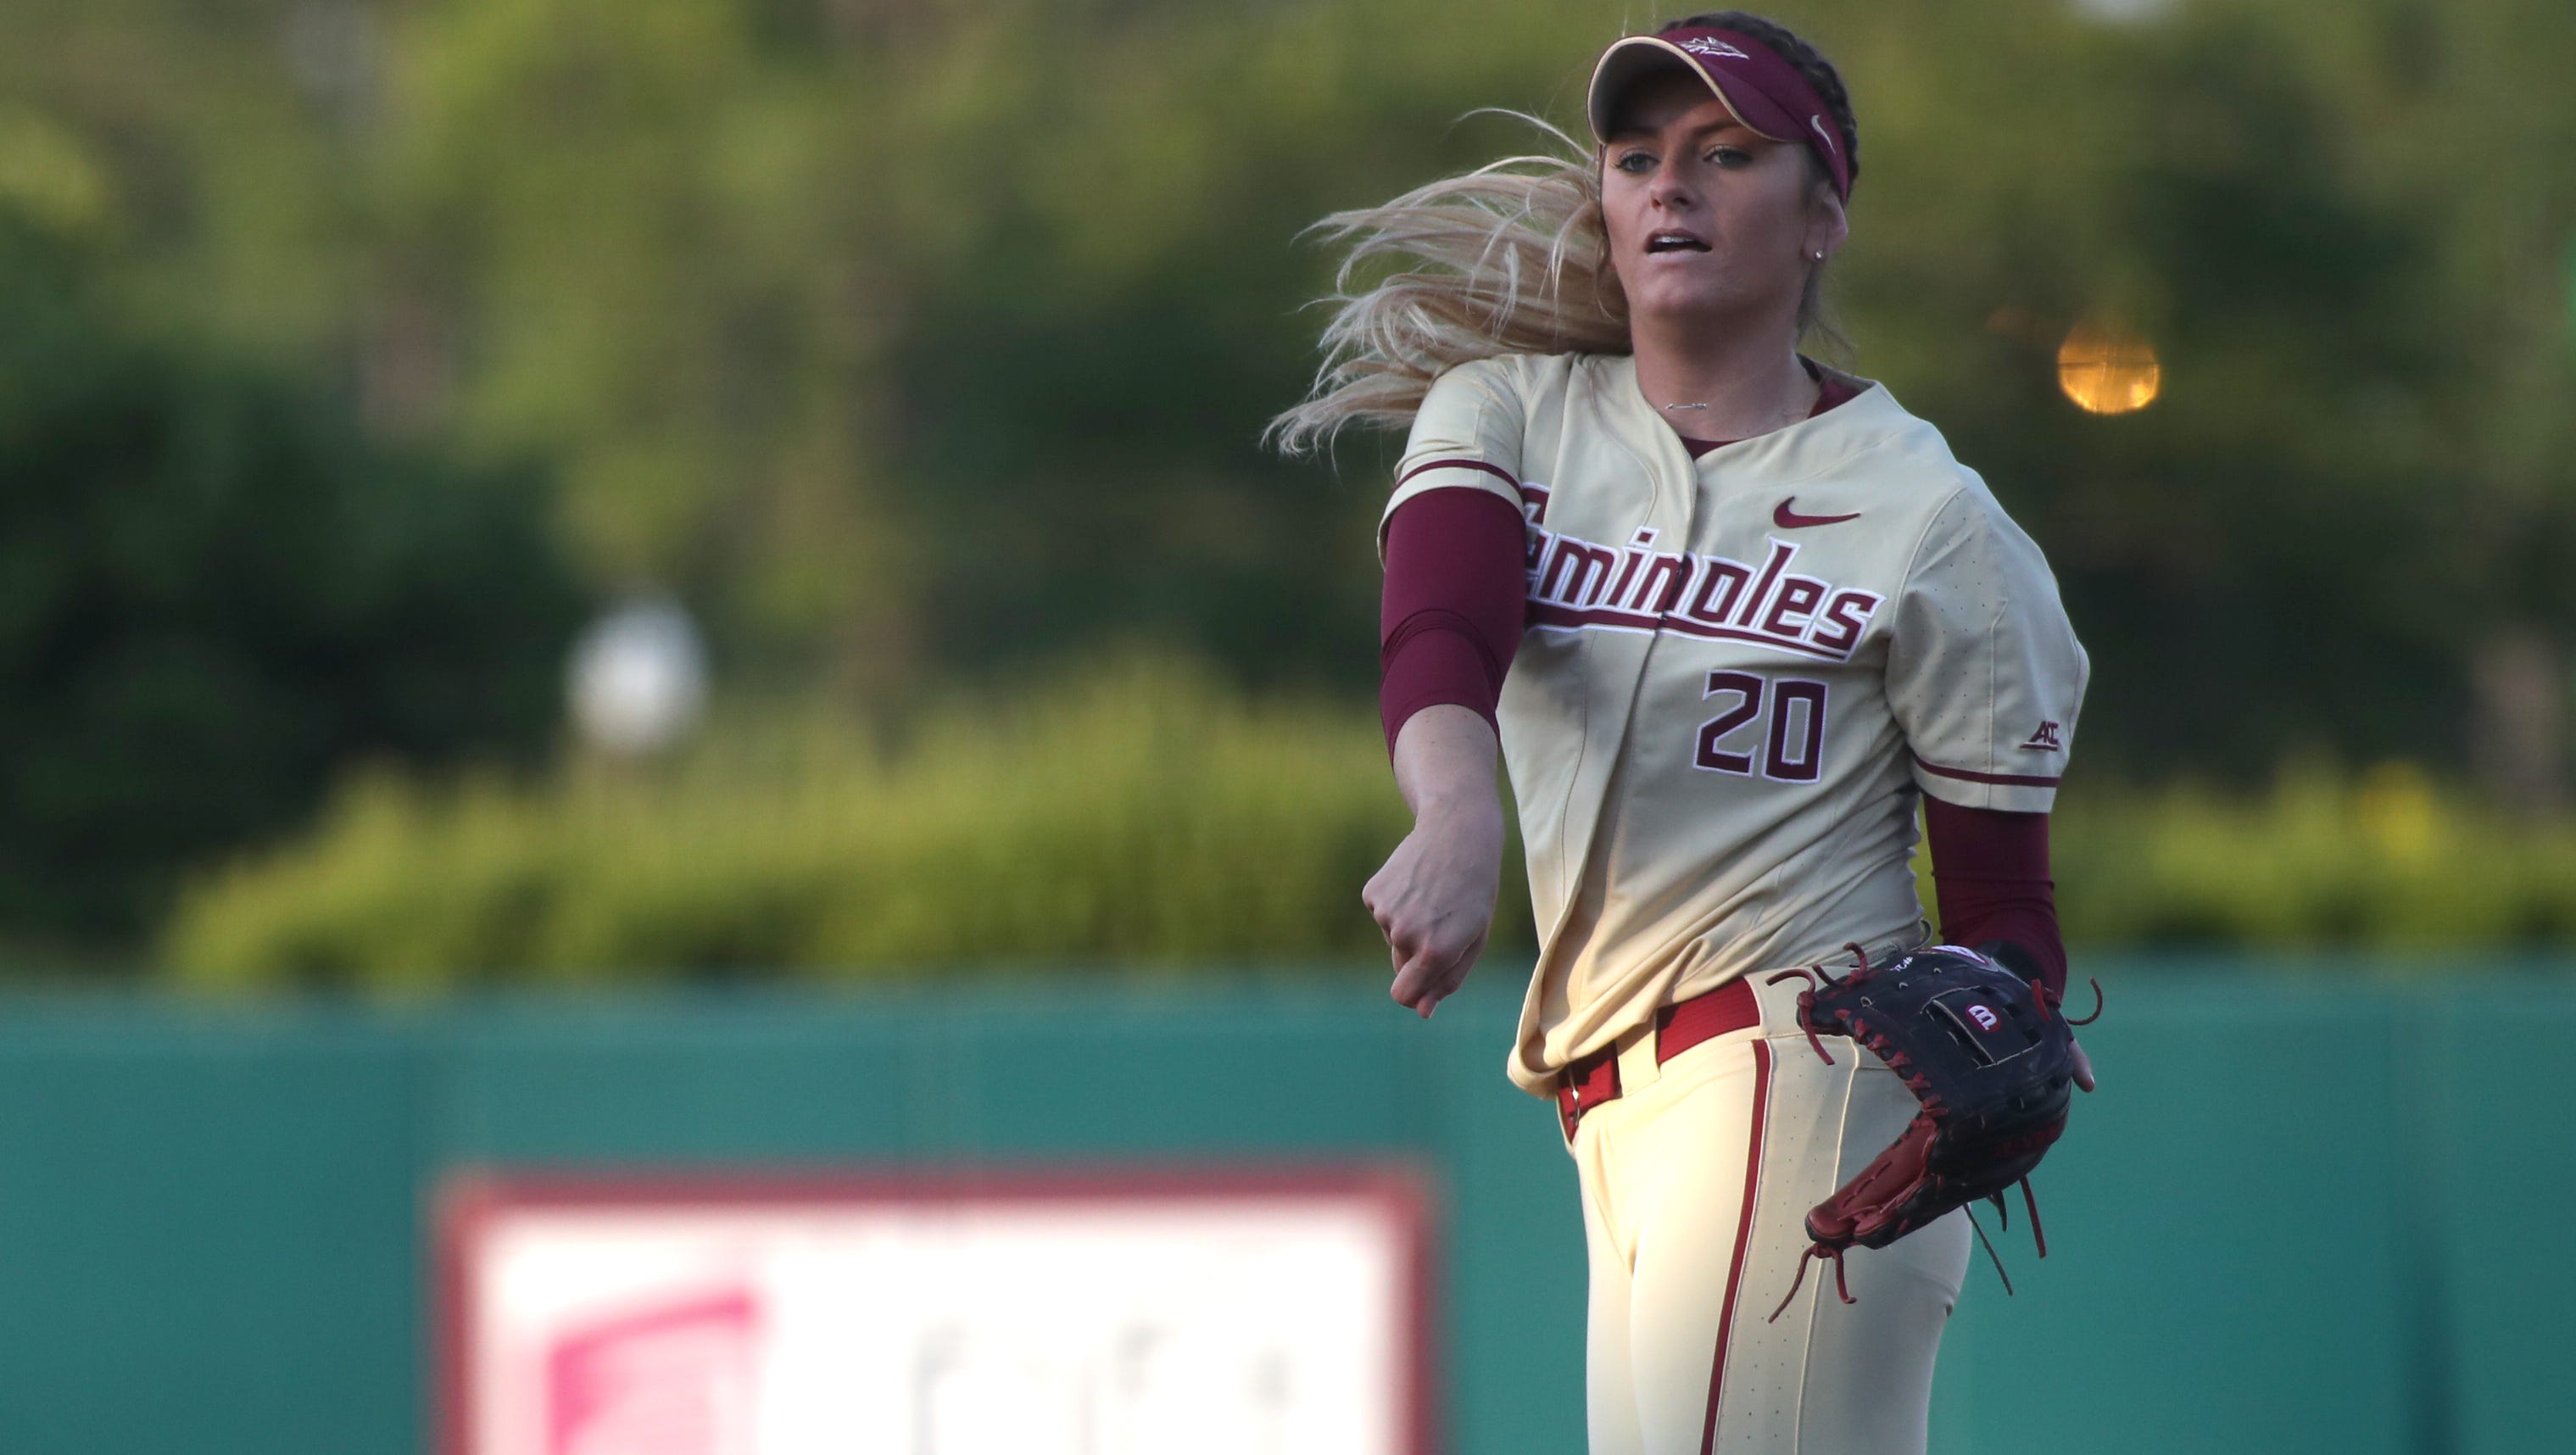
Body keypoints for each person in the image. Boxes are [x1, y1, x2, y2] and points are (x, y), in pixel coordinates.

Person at [1270, 13, 2093, 1454]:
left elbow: (2005, 906)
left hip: (1805, 1067)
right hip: (1616, 1110)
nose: (1671, 185)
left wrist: (2012, 1008)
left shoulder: (1930, 516)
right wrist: (1455, 816)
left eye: (1728, 155)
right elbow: (1442, 639)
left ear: (1821, 212)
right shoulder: (1509, 412)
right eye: (1638, 155)